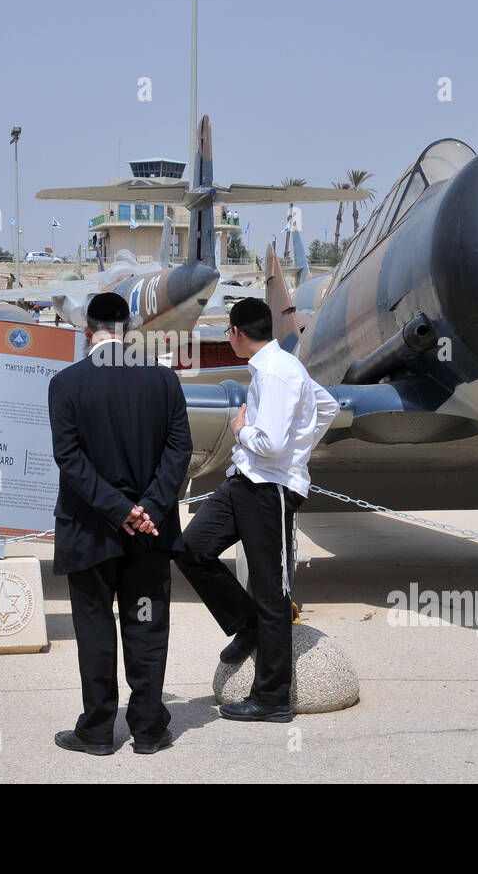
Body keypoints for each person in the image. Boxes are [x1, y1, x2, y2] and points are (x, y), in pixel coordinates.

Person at [175, 298, 338, 723]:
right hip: (245, 481)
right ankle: (246, 624)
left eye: (228, 332)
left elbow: (273, 445)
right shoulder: (277, 366)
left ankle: (272, 699)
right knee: (192, 548)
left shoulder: (276, 372)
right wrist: (297, 446)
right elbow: (327, 408)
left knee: (271, 590)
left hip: (270, 489)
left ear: (237, 333)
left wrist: (242, 430)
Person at [48, 293, 192, 755]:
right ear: (129, 330)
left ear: (87, 331)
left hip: (90, 530)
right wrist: (147, 507)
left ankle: (96, 731)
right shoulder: (163, 379)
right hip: (150, 532)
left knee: (94, 627)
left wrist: (117, 509)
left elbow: (69, 459)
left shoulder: (66, 383)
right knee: (146, 625)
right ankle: (148, 729)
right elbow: (179, 450)